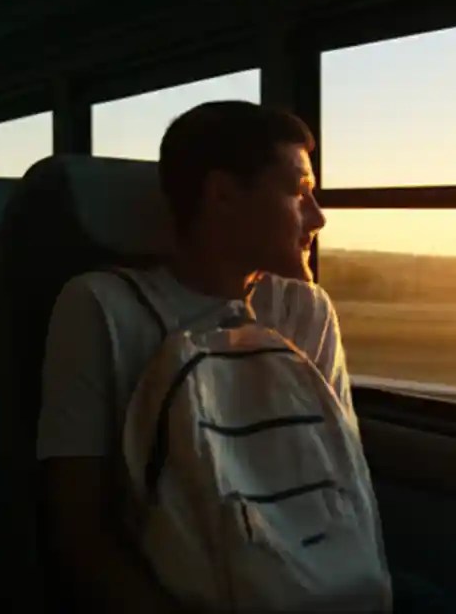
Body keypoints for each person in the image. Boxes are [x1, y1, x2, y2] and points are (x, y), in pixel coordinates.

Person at [36, 102, 349, 612]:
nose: (318, 217)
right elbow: (78, 532)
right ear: (222, 195)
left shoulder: (305, 310)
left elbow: (339, 483)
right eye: (299, 192)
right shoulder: (102, 309)